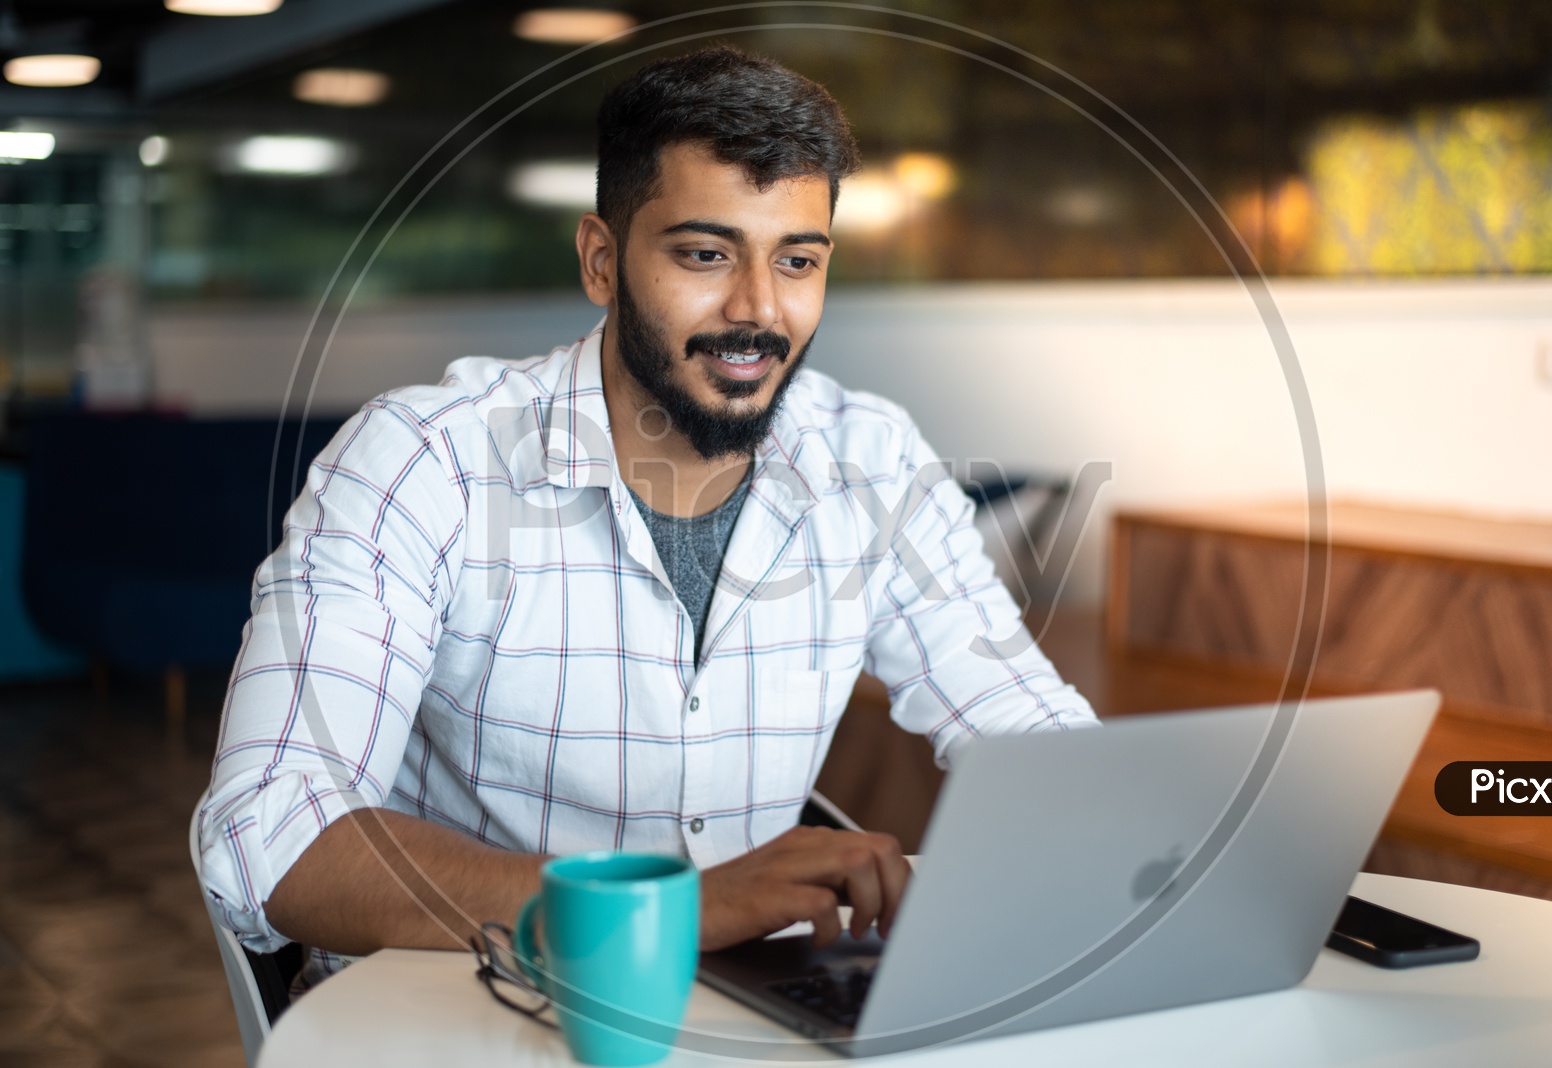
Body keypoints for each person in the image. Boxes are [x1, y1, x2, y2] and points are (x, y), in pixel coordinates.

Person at [197, 46, 1096, 989]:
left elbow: (1021, 723)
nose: (757, 309)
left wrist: (1157, 833)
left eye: (797, 260)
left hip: (741, 1014)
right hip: (467, 1006)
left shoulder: (870, 457)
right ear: (601, 259)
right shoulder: (424, 462)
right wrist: (665, 908)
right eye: (706, 254)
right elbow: (271, 834)